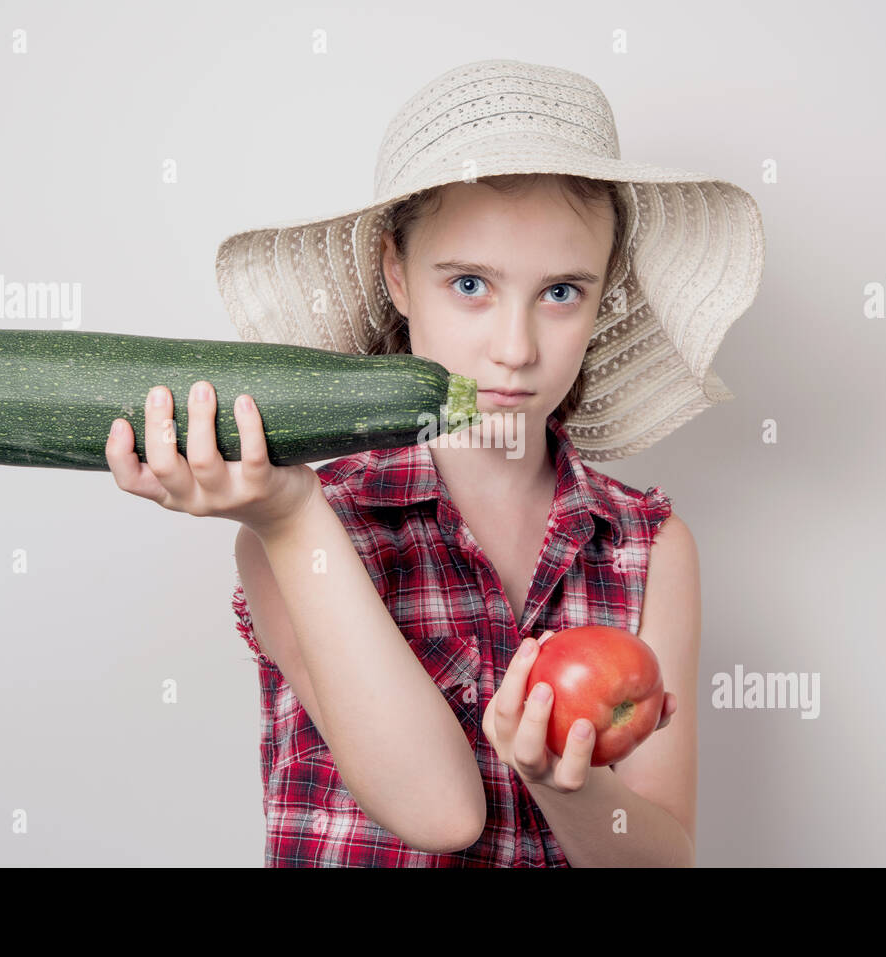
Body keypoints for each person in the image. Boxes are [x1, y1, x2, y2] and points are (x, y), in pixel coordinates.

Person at [105, 58, 765, 866]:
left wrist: (571, 786)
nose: (515, 349)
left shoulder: (650, 548)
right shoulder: (303, 527)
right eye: (470, 284)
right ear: (397, 274)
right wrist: (288, 514)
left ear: (603, 298)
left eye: (561, 292)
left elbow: (664, 858)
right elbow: (441, 811)